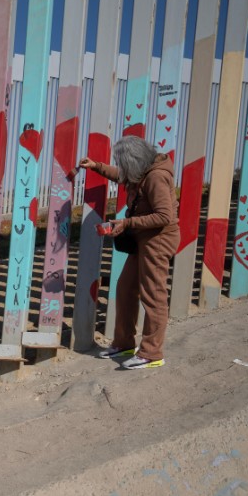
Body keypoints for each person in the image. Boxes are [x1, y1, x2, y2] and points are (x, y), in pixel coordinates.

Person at [78, 135, 180, 369]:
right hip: (143, 239)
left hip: (158, 239)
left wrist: (127, 223)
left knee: (153, 295)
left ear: (135, 161)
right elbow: (120, 175)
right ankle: (124, 343)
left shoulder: (155, 177)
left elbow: (165, 216)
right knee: (125, 288)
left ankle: (152, 353)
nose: (122, 168)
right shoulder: (142, 171)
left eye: (123, 163)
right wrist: (96, 166)